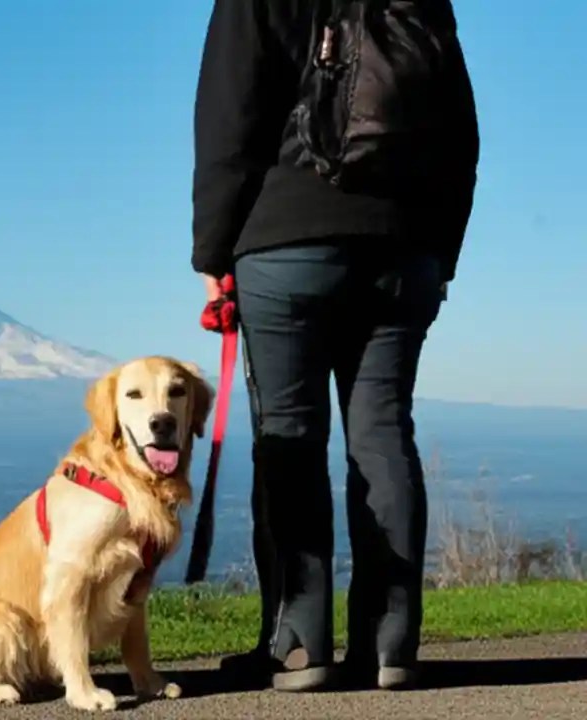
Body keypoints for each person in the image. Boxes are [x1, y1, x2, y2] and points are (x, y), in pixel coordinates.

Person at [190, 0, 479, 692]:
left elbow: (229, 121)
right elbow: (462, 138)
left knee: (288, 436)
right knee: (384, 435)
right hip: (403, 252)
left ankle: (299, 646)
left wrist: (211, 253)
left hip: (284, 241)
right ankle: (390, 646)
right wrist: (440, 254)